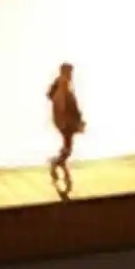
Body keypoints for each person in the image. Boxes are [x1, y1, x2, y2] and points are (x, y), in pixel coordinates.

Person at [46, 62, 85, 196]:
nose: (71, 75)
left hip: (64, 122)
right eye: (69, 72)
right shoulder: (63, 85)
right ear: (64, 72)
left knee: (67, 147)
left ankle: (58, 163)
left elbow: (66, 104)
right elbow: (66, 105)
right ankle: (57, 163)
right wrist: (75, 120)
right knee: (68, 147)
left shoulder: (61, 84)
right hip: (66, 123)